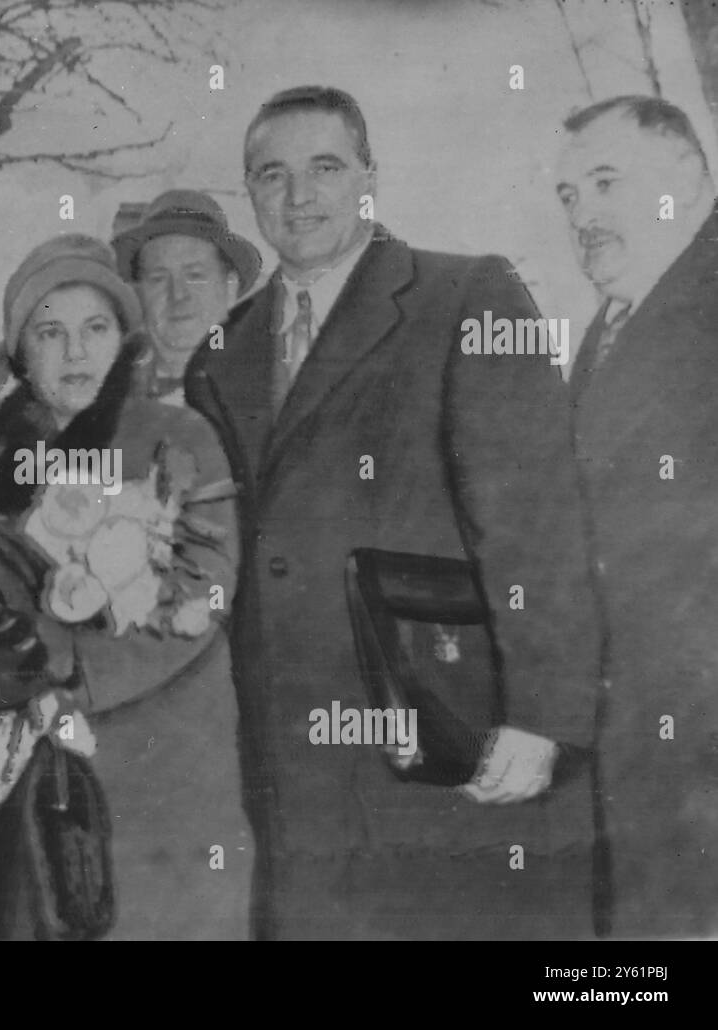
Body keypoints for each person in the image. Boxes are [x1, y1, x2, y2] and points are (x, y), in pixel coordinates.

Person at [185, 85, 601, 939]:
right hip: (287, 784)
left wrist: (543, 717)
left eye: (325, 168)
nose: (298, 197)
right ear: (249, 192)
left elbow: (537, 520)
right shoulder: (220, 358)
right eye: (272, 175)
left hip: (443, 747)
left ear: (370, 175)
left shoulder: (467, 296)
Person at [0, 234, 253, 939]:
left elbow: (202, 596)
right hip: (38, 798)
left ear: (124, 342)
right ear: (20, 354)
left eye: (95, 329)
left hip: (171, 784)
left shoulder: (180, 440)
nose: (74, 352)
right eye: (50, 332)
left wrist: (65, 658)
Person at [556, 95, 718, 938]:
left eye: (605, 183)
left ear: (685, 179)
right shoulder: (614, 323)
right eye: (570, 197)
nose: (583, 215)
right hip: (641, 749)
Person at [111, 190, 261, 404]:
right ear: (141, 293)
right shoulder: (109, 401)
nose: (178, 295)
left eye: (195, 276)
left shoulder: (267, 396)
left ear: (230, 287)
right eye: (159, 278)